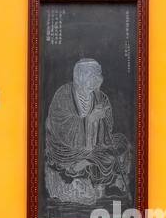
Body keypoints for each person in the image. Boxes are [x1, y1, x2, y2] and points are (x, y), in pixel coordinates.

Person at [44, 58, 127, 206]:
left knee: (121, 142)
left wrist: (102, 117)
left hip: (95, 145)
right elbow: (60, 127)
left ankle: (91, 169)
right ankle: (79, 169)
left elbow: (108, 128)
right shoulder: (64, 94)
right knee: (101, 157)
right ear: (80, 76)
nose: (95, 80)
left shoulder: (100, 97)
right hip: (67, 148)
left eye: (97, 75)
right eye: (91, 76)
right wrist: (89, 120)